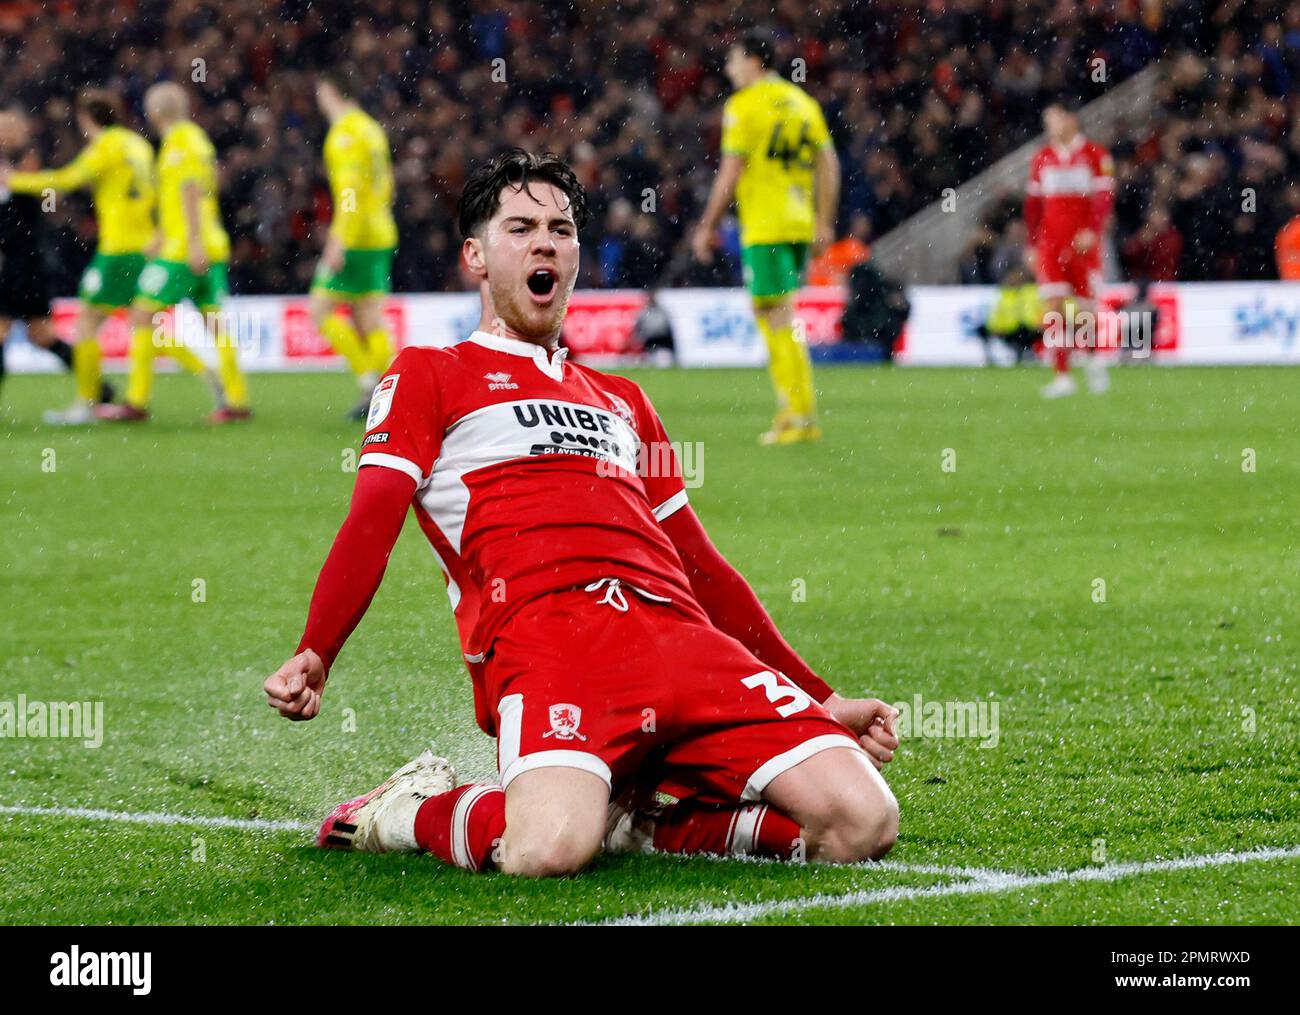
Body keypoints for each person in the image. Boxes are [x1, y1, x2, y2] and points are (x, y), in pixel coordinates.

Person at [264, 150, 900, 877]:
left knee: (866, 822)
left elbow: (703, 566)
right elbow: (370, 521)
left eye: (561, 229)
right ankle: (407, 808)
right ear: (476, 255)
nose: (545, 242)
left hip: (680, 641)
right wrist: (318, 648)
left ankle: (639, 820)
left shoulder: (624, 399)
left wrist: (822, 696)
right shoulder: (428, 374)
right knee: (547, 850)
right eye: (521, 227)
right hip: (550, 644)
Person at [690, 28, 840, 445]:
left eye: (734, 60)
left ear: (755, 61)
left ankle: (799, 414)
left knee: (777, 316)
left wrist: (706, 226)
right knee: (776, 312)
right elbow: (828, 162)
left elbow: (730, 171)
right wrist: (824, 220)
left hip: (767, 225)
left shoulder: (744, 106)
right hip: (798, 221)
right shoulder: (802, 102)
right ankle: (796, 410)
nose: (728, 69)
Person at [96, 83, 250, 424]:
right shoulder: (198, 140)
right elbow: (196, 195)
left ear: (153, 113)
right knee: (215, 325)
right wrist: (165, 233)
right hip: (207, 244)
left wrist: (189, 241)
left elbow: (190, 191)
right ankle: (235, 399)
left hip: (184, 251)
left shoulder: (179, 143)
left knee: (141, 314)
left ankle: (137, 400)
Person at [3, 90, 153, 424]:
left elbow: (65, 181)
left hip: (112, 250)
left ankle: (91, 402)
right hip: (140, 245)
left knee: (88, 324)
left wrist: (18, 180)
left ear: (87, 118)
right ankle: (208, 383)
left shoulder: (105, 146)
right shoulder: (137, 145)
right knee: (141, 322)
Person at [310, 71, 399, 421]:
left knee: (319, 311)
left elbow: (349, 193)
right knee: (368, 318)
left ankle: (368, 381)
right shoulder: (371, 128)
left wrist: (338, 239)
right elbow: (386, 184)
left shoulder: (344, 134)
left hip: (357, 236)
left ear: (331, 90)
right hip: (379, 232)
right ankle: (390, 387)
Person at [0, 108, 104, 404]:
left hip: (27, 262)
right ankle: (100, 391)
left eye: (9, 126)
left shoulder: (30, 161)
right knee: (37, 334)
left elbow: (51, 200)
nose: (4, 132)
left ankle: (99, 391)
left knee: (37, 333)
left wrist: (22, 180)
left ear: (22, 130)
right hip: (10, 262)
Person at [1024, 100, 1113, 398]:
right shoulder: (1041, 159)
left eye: (1055, 120)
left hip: (1082, 243)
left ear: (1071, 120)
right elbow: (1033, 206)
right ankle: (1062, 376)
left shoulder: (1095, 155)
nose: (1050, 127)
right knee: (1054, 306)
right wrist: (1031, 244)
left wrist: (1093, 231)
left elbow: (1103, 199)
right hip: (1050, 243)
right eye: (1047, 122)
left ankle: (1093, 357)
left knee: (1086, 308)